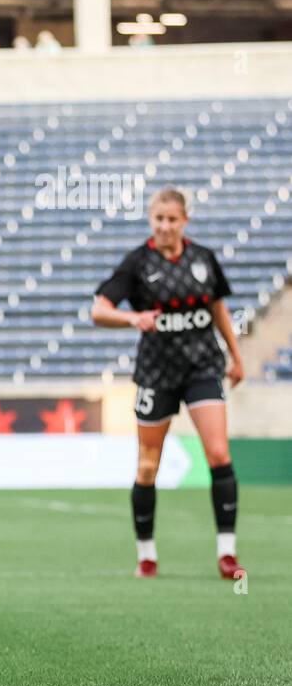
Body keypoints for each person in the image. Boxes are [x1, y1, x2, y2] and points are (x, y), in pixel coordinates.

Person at [91, 187, 245, 580]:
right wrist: (132, 318)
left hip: (203, 368)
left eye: (172, 219)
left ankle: (227, 553)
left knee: (219, 454)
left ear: (184, 221)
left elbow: (217, 309)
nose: (164, 225)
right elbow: (99, 309)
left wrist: (236, 355)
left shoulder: (203, 259)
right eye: (158, 218)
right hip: (157, 373)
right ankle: (147, 554)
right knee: (147, 467)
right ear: (151, 220)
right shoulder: (138, 263)